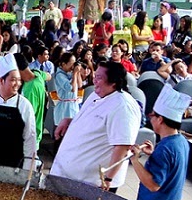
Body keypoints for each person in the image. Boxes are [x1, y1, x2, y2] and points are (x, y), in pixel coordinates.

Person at [51, 61, 141, 191]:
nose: (94, 80)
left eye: (99, 77)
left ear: (113, 82)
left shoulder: (123, 106)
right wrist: (70, 120)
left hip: (91, 183)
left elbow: (122, 146)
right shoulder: (96, 94)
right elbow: (92, 121)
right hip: (68, 175)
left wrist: (108, 179)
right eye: (95, 75)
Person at [131, 86, 191, 200]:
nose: (151, 119)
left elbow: (153, 185)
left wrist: (135, 161)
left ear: (160, 119)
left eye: (153, 115)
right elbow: (171, 165)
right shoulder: (181, 141)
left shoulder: (165, 148)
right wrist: (153, 154)